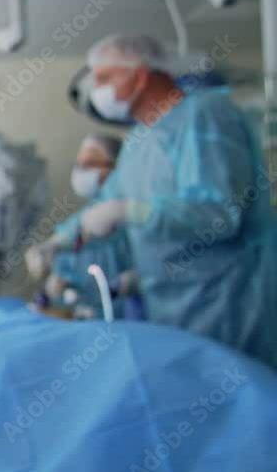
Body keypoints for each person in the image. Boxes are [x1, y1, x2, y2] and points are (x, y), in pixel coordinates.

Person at [53, 33, 276, 365]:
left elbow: (219, 214)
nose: (96, 90)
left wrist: (131, 211)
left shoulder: (206, 116)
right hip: (173, 309)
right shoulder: (139, 143)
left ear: (140, 75)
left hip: (230, 303)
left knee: (244, 402)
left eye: (103, 78)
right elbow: (104, 205)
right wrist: (57, 242)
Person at [28, 135, 136, 317]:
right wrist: (51, 247)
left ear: (115, 165)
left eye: (89, 164)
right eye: (77, 165)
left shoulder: (129, 207)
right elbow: (75, 234)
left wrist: (131, 283)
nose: (81, 171)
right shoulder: (94, 211)